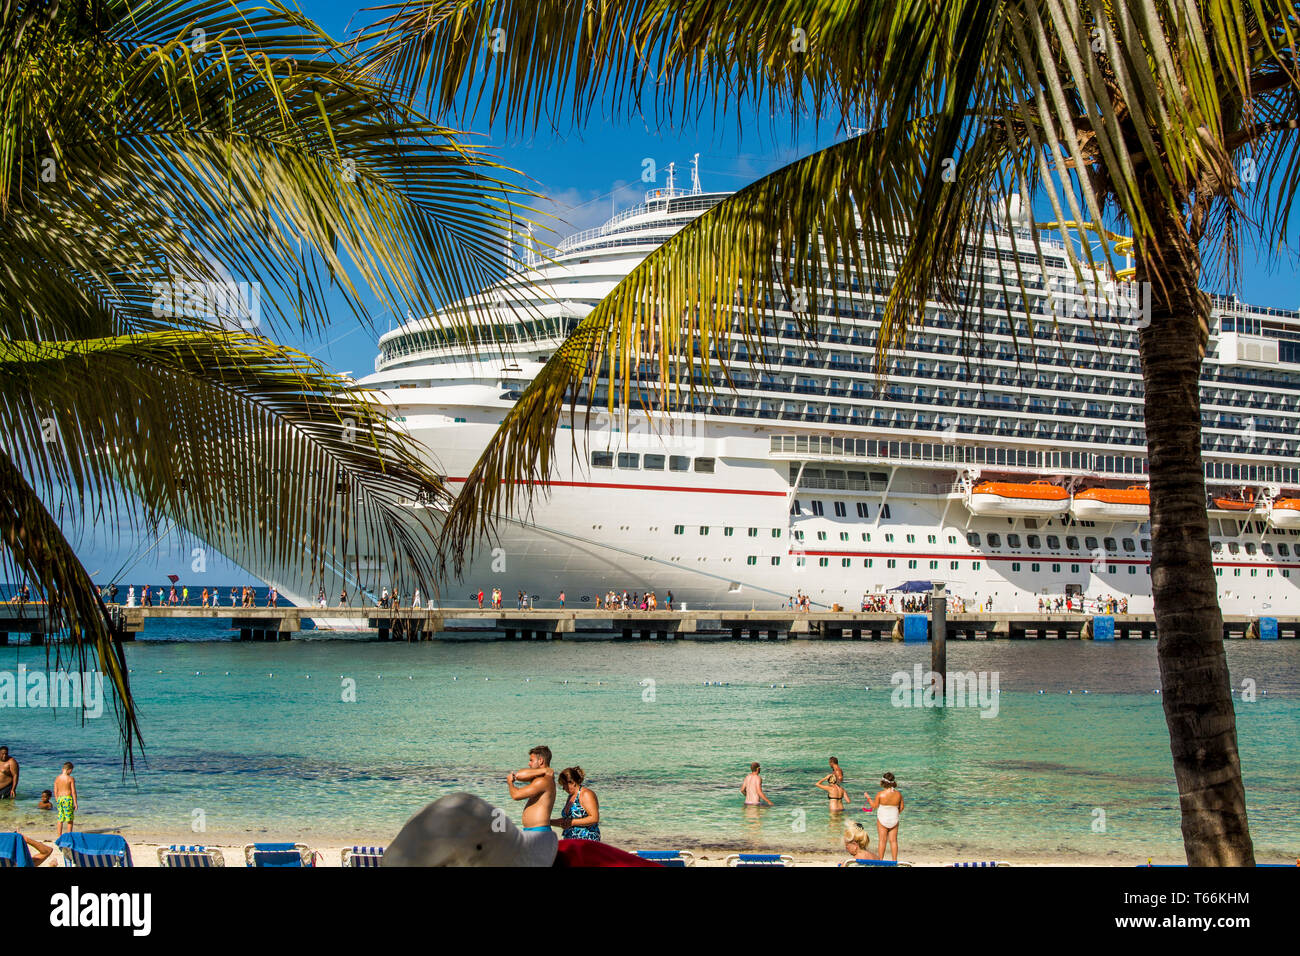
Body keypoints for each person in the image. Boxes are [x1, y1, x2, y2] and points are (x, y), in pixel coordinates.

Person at [507, 746, 558, 858]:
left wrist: (510, 784)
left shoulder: (543, 781)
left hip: (539, 832)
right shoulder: (541, 776)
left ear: (540, 761)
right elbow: (519, 775)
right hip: (532, 831)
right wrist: (544, 770)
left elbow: (516, 795)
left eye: (531, 760)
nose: (529, 764)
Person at [552, 766, 600, 841]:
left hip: (586, 841)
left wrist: (572, 822)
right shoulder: (571, 797)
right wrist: (547, 822)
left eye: (564, 784)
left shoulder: (586, 794)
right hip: (571, 840)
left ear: (572, 782)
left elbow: (594, 818)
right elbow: (566, 821)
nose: (563, 788)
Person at [866, 772, 904, 861]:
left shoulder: (880, 794)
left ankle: (881, 860)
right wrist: (896, 813)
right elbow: (902, 807)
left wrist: (868, 798)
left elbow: (874, 806)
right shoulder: (898, 794)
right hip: (894, 818)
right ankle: (894, 861)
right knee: (893, 841)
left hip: (882, 819)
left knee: (882, 841)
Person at [54, 762, 77, 837]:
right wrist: (75, 803)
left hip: (60, 798)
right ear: (69, 770)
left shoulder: (57, 778)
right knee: (69, 819)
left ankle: (59, 835)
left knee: (60, 818)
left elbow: (55, 790)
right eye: (71, 771)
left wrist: (57, 799)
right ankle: (69, 835)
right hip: (67, 798)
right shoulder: (70, 778)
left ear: (63, 769)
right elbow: (73, 791)